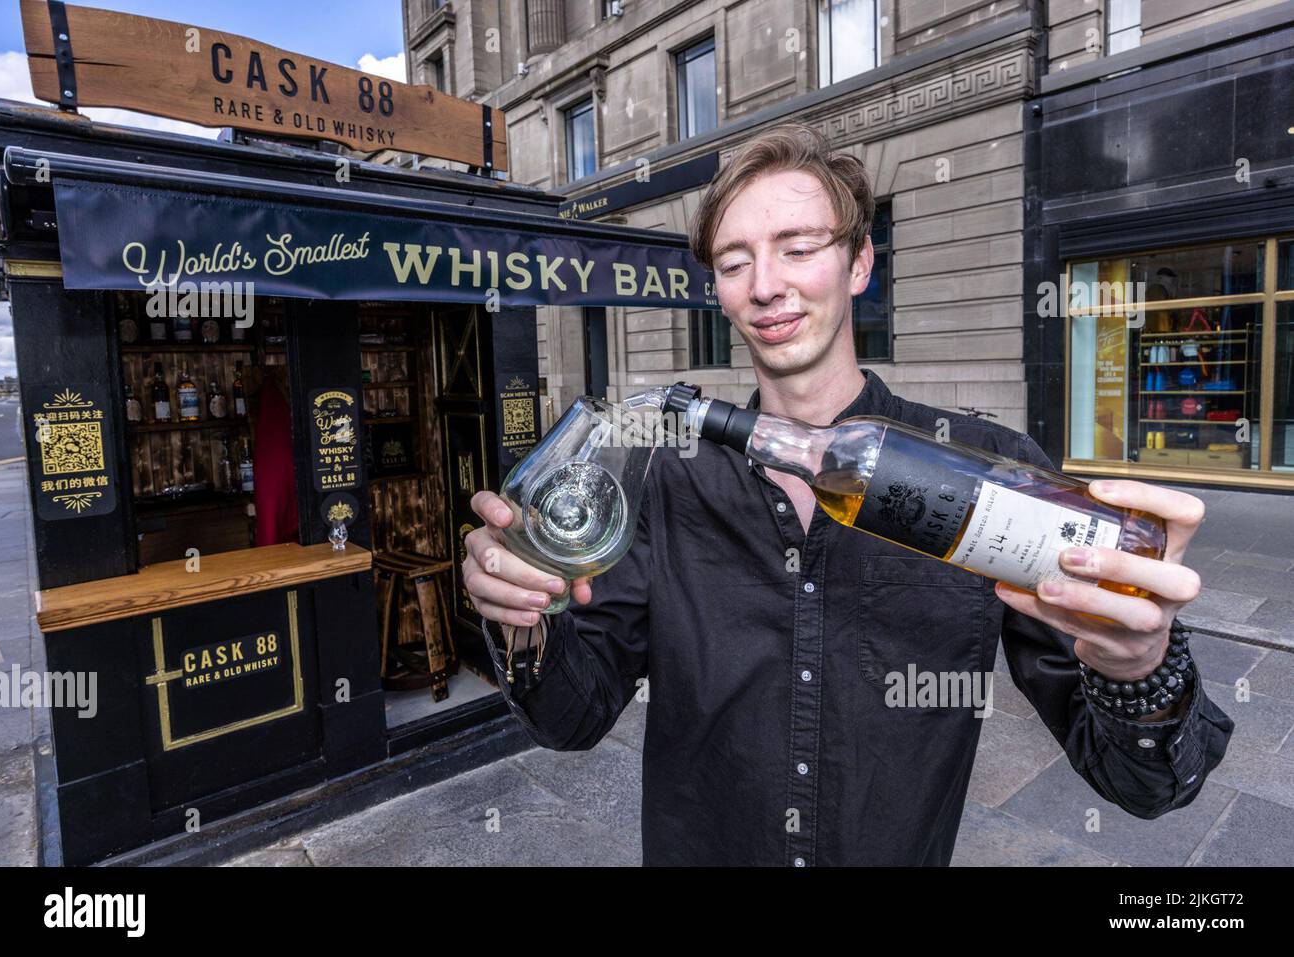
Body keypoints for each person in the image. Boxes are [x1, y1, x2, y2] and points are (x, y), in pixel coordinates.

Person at [461, 123, 1234, 866]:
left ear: (859, 263)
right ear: (719, 291)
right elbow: (574, 717)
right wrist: (525, 618)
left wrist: (1142, 668)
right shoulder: (666, 476)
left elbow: (1143, 783)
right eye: (734, 263)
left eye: (798, 248)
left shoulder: (989, 470)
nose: (767, 286)